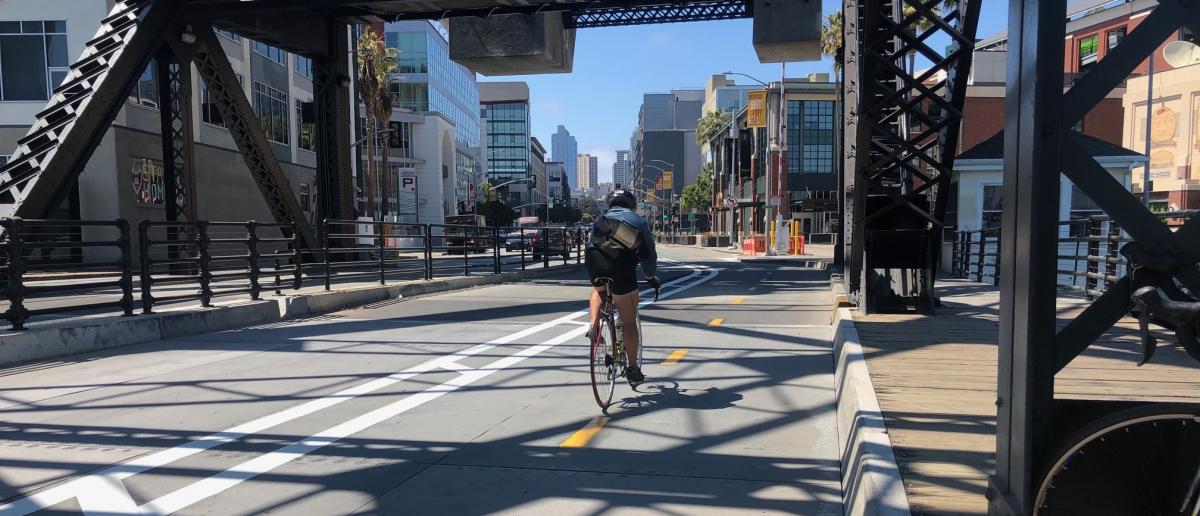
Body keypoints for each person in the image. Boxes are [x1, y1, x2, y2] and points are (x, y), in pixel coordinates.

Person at [585, 188, 659, 385]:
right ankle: (632, 368)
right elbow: (648, 255)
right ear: (631, 204)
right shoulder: (638, 221)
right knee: (628, 319)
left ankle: (594, 326)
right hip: (620, 267)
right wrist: (650, 276)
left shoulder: (599, 221)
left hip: (594, 262)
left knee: (599, 290)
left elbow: (589, 245)